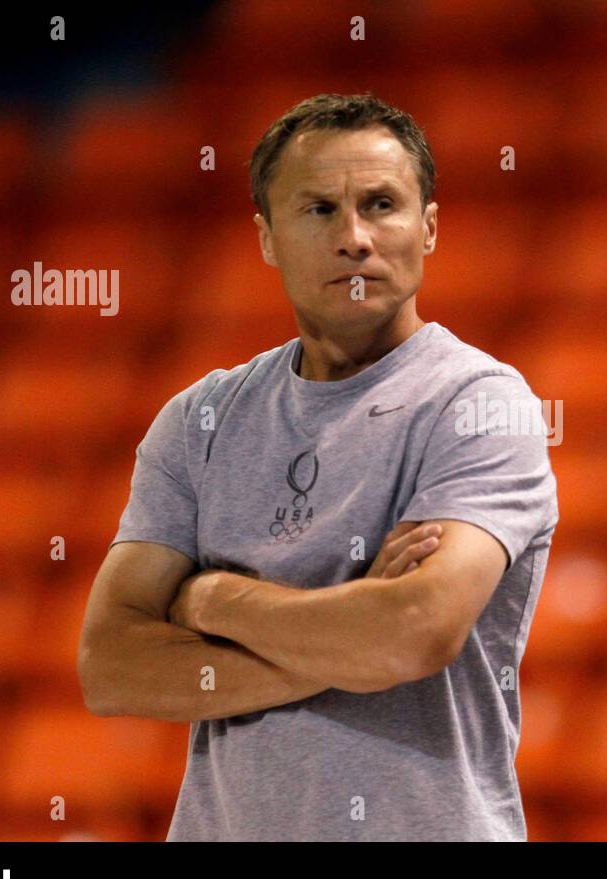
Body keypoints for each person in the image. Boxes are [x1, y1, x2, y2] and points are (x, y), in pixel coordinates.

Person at [78, 92, 559, 841]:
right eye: (320, 211)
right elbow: (110, 667)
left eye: (382, 204)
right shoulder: (198, 419)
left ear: (428, 227)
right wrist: (352, 637)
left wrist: (208, 602)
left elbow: (413, 635)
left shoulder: (480, 404)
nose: (356, 237)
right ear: (267, 238)